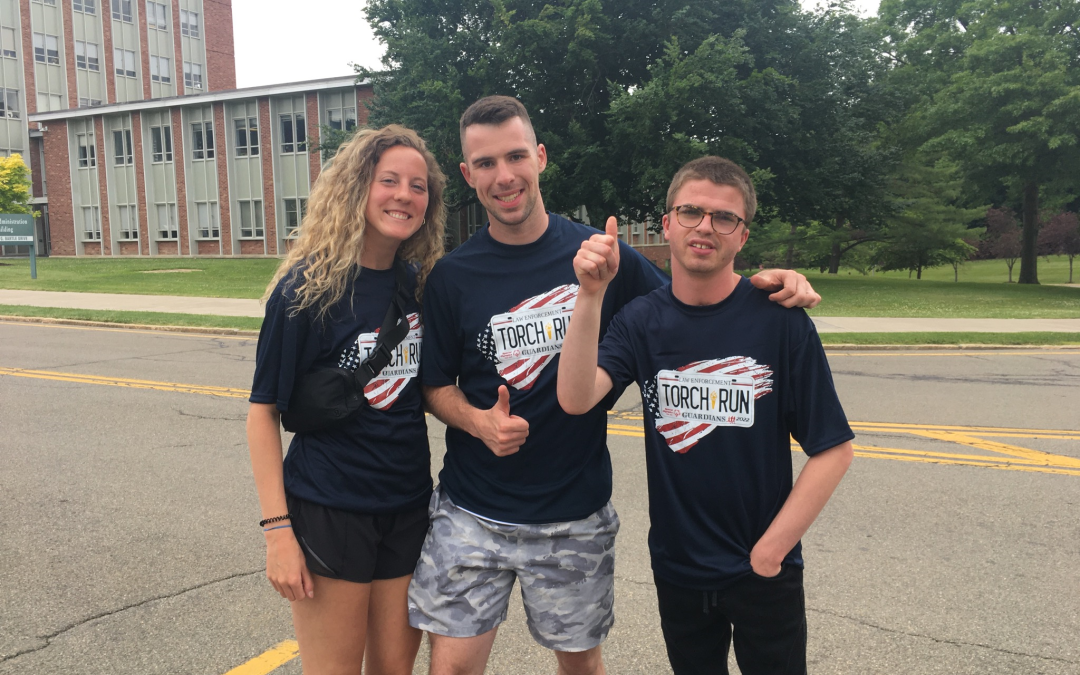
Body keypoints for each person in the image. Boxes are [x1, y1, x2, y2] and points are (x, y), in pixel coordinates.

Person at [408, 95, 823, 675]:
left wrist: (768, 284)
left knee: (581, 667)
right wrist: (478, 421)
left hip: (574, 512)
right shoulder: (453, 275)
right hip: (474, 508)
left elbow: (692, 303)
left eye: (516, 156)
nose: (503, 176)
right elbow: (432, 386)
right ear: (467, 174)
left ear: (541, 157)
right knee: (450, 668)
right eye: (485, 163)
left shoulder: (603, 256)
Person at [557, 156, 854, 675]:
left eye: (724, 218)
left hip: (763, 568)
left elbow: (833, 448)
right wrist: (590, 295)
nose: (704, 227)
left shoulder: (780, 323)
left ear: (742, 235)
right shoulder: (641, 320)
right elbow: (577, 398)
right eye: (691, 212)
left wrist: (770, 553)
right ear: (667, 224)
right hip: (679, 567)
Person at [246, 125, 446, 675]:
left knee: (394, 670)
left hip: (407, 506)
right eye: (389, 181)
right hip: (330, 508)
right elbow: (263, 412)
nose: (405, 195)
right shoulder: (306, 290)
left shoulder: (419, 285)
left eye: (418, 186)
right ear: (357, 187)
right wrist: (277, 533)